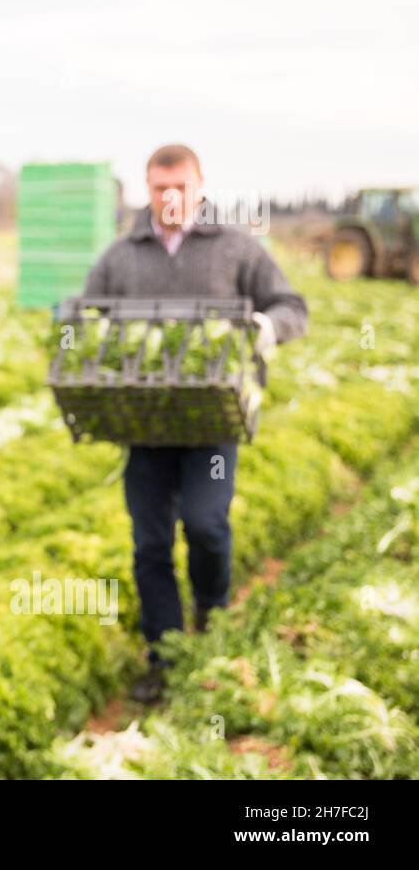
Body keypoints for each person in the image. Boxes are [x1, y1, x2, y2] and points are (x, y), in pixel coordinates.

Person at [82, 144, 308, 703]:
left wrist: (266, 326)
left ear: (200, 186)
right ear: (148, 189)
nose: (171, 198)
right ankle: (165, 656)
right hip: (147, 424)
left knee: (207, 525)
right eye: (161, 188)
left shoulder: (235, 247)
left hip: (212, 423)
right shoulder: (121, 256)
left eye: (181, 187)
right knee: (149, 544)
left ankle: (212, 611)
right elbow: (87, 318)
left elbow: (292, 306)